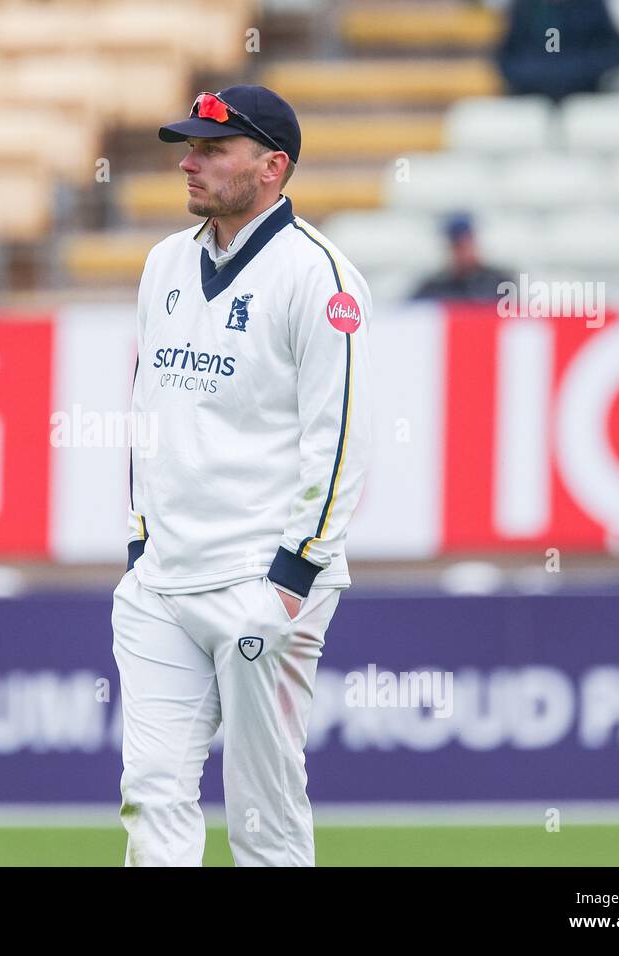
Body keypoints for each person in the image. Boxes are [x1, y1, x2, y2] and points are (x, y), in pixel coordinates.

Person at [112, 86, 373, 866]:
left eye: (211, 150)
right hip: (163, 582)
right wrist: (140, 542)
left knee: (263, 816)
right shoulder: (164, 261)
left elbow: (340, 437)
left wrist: (293, 577)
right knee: (151, 794)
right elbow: (147, 408)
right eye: (187, 148)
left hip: (259, 580)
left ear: (271, 166)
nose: (188, 163)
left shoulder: (320, 276)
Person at [496, 0, 619, 101]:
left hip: (584, 97)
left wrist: (577, 70)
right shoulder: (524, 6)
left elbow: (617, 52)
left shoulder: (591, 5)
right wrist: (539, 74)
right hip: (531, 98)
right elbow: (505, 57)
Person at [411, 214, 514, 302]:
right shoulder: (434, 287)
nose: (462, 253)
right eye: (457, 246)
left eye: (466, 245)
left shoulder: (499, 282)